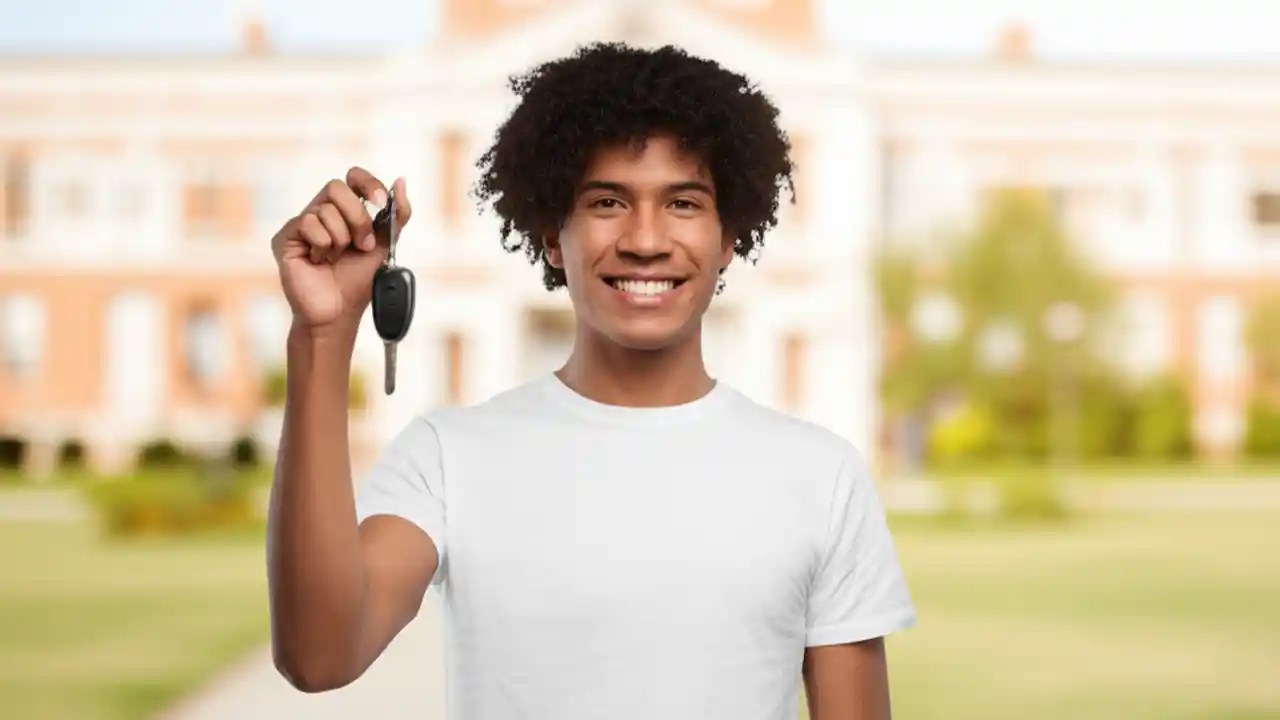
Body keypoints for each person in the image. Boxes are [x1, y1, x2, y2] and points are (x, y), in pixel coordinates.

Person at [266, 41, 915, 719]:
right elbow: (319, 655)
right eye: (607, 202)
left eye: (684, 204)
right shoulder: (447, 456)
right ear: (552, 233)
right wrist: (322, 333)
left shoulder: (821, 474)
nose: (644, 238)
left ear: (729, 238)